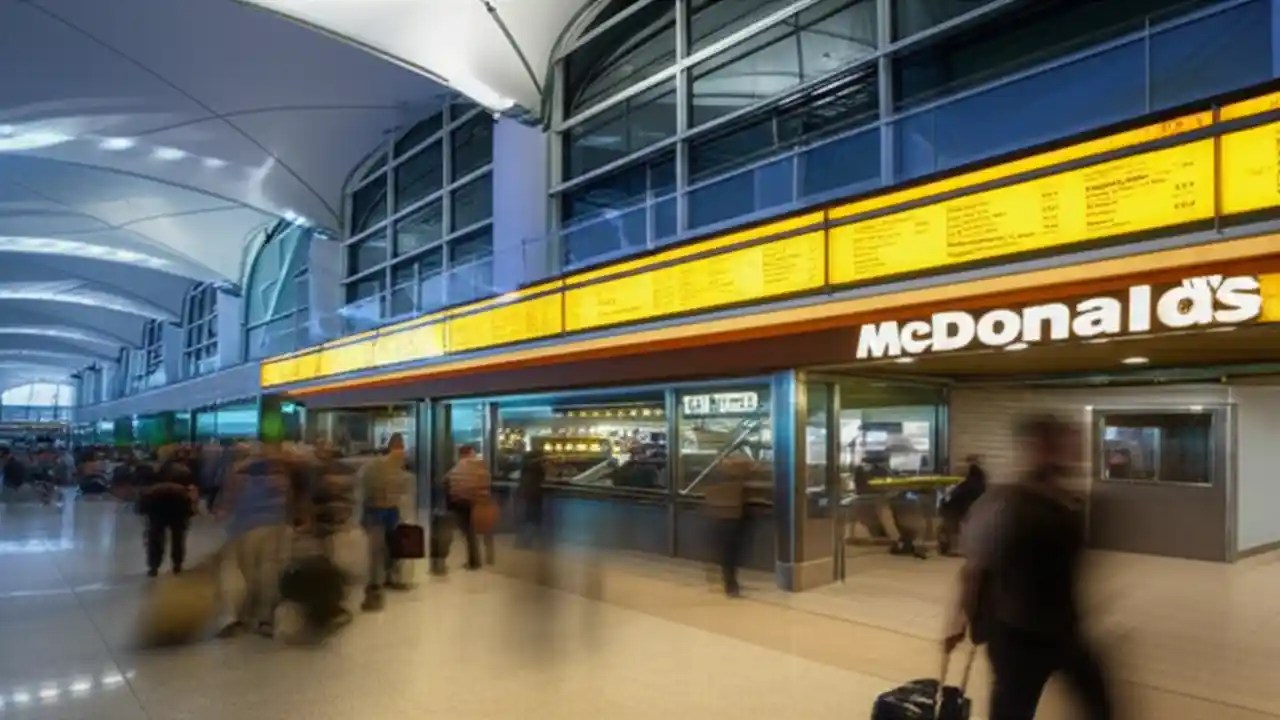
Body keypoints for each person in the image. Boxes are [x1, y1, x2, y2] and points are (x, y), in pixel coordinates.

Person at [945, 416, 1112, 720]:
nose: (1074, 452)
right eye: (1062, 445)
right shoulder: (1003, 503)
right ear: (1037, 448)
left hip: (1064, 629)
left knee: (1099, 706)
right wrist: (958, 619)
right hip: (1016, 635)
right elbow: (974, 568)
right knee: (1012, 711)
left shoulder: (1069, 501)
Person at [216, 442, 306, 639]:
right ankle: (265, 618)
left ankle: (250, 616)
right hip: (275, 527)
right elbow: (291, 500)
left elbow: (228, 501)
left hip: (246, 529)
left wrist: (223, 514)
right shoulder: (283, 476)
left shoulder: (239, 475)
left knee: (251, 574)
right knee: (269, 572)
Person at [358, 433, 408, 611]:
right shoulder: (376, 465)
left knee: (391, 547)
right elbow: (367, 489)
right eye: (399, 445)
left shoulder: (397, 466)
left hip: (388, 510)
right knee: (377, 549)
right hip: (376, 511)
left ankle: (388, 579)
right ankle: (375, 584)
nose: (402, 449)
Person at [138, 448, 198, 577]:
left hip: (157, 507)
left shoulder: (149, 470)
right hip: (178, 507)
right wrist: (192, 507)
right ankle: (177, 564)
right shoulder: (184, 471)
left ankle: (154, 566)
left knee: (155, 537)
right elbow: (191, 491)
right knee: (178, 536)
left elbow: (143, 490)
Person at [704, 448, 753, 597]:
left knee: (725, 552)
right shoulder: (736, 473)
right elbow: (749, 466)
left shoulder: (713, 473)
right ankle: (730, 583)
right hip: (731, 516)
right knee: (729, 552)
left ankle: (728, 581)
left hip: (720, 516)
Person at [445, 445, 492, 571]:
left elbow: (447, 480)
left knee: (469, 534)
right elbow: (486, 482)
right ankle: (487, 558)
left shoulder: (457, 467)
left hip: (461, 503)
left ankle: (474, 561)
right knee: (483, 533)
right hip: (480, 503)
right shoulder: (481, 466)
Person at [938, 455, 988, 556]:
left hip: (959, 509)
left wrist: (945, 502)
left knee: (948, 525)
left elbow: (956, 495)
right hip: (970, 508)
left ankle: (951, 547)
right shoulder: (980, 483)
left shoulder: (967, 483)